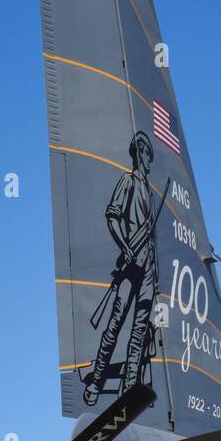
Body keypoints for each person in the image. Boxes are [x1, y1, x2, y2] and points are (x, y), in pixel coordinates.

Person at [84, 131, 158, 404]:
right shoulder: (127, 182)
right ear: (140, 154)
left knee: (139, 331)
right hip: (130, 266)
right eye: (148, 155)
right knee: (114, 325)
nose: (150, 161)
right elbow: (112, 216)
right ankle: (96, 382)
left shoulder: (150, 192)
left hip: (148, 270)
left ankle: (129, 389)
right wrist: (125, 247)